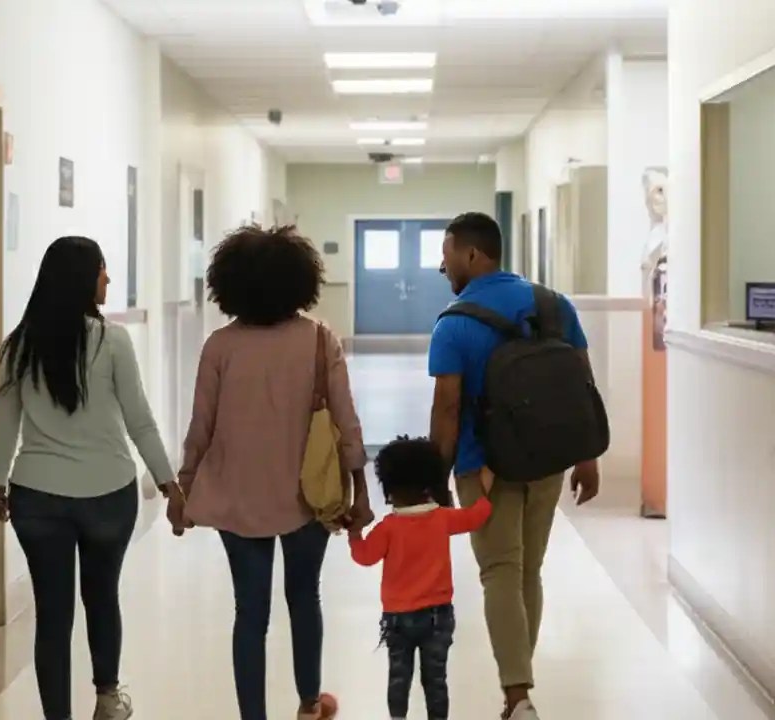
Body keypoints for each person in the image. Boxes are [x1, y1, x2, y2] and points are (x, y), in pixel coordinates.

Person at [175, 224, 372, 720]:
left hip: (236, 494)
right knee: (305, 597)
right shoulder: (319, 339)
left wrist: (185, 484)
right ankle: (310, 703)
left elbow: (201, 424)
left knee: (250, 613)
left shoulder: (219, 346)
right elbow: (346, 419)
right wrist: (362, 491)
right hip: (309, 492)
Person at [0, 236, 183, 720]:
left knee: (51, 616)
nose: (108, 279)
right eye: (102, 270)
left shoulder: (18, 345)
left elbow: (3, 423)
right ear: (84, 278)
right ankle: (107, 699)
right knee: (102, 597)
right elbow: (140, 419)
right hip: (107, 494)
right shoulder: (112, 340)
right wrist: (168, 482)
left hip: (37, 497)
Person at [428, 212, 601, 720]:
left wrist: (437, 478)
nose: (443, 265)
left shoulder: (455, 322)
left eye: (448, 253)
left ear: (473, 255)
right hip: (547, 458)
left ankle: (517, 696)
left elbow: (447, 408)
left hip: (484, 467)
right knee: (529, 569)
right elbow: (581, 385)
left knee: (499, 570)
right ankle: (519, 688)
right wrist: (586, 456)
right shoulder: (553, 304)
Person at [348, 436, 494, 720]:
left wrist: (354, 533)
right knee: (436, 681)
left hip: (398, 618)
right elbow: (476, 516)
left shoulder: (389, 528)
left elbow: (364, 556)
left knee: (398, 680)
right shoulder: (442, 518)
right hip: (438, 617)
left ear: (389, 488)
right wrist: (485, 488)